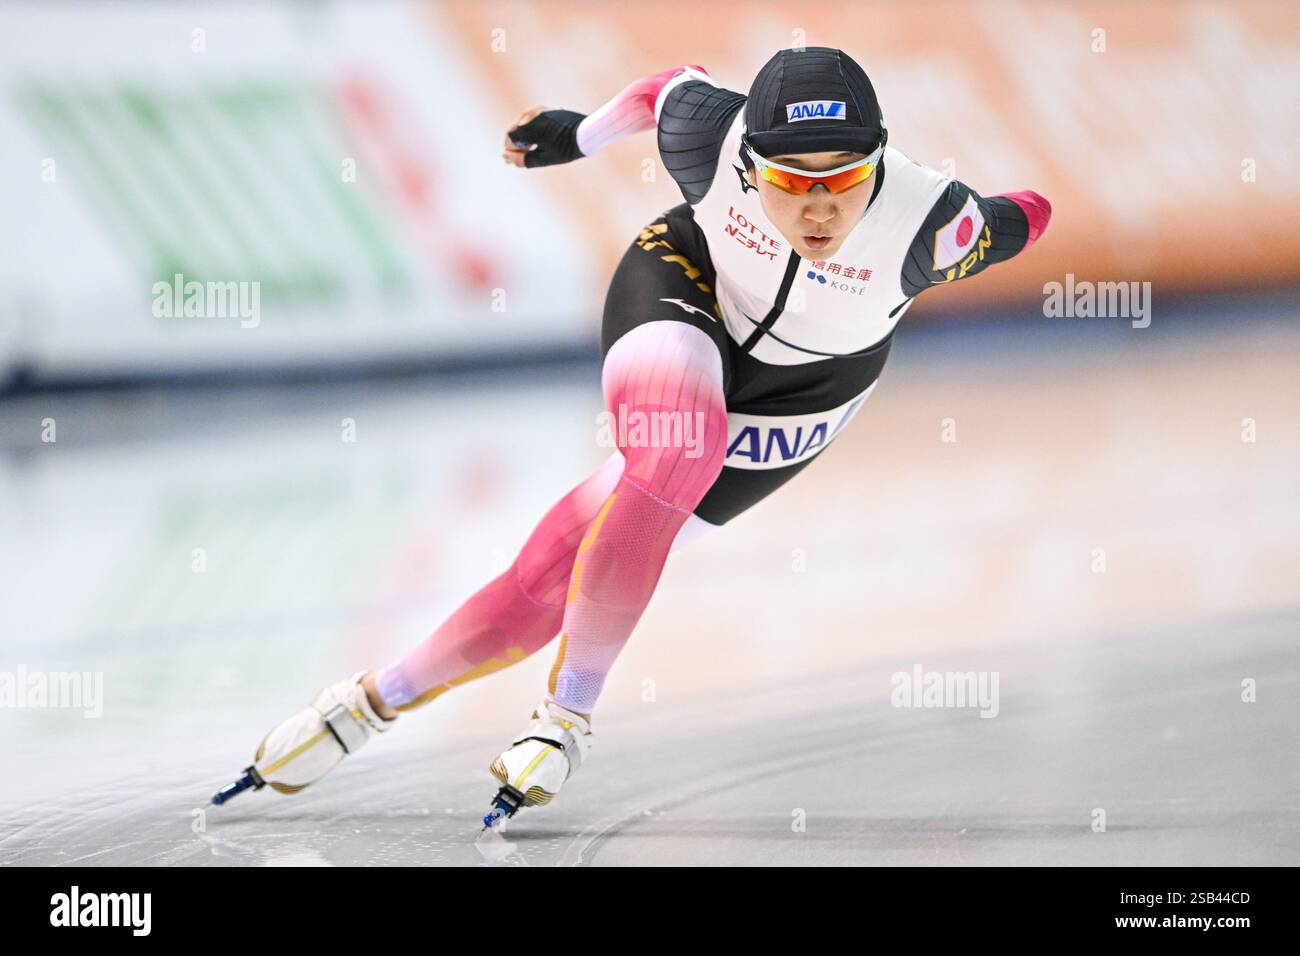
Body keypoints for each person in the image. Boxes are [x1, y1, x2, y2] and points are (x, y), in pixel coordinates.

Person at [215, 47, 1051, 823]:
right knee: (677, 447)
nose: (822, 206)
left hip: (809, 392)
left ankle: (366, 705)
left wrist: (1013, 205)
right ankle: (567, 717)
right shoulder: (709, 135)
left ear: (882, 160)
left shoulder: (934, 227)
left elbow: (1029, 215)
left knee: (546, 580)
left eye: (847, 177)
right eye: (793, 183)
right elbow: (661, 92)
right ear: (749, 161)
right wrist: (577, 137)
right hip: (682, 283)